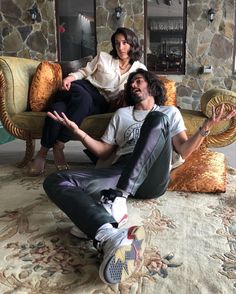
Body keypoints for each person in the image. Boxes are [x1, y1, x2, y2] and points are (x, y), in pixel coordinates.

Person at [43, 69, 236, 284]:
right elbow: (105, 152)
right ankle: (107, 233)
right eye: (131, 84)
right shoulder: (122, 114)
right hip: (121, 171)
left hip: (154, 175)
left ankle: (117, 198)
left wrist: (206, 127)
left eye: (138, 81)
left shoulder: (169, 112)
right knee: (55, 180)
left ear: (151, 86)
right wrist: (78, 133)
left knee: (156, 118)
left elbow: (182, 150)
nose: (133, 85)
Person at [29, 27, 147, 176]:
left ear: (132, 44)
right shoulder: (104, 57)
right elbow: (84, 72)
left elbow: (141, 89)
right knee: (82, 98)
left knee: (58, 109)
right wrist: (69, 78)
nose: (120, 47)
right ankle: (58, 145)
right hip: (82, 88)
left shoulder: (140, 69)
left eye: (124, 43)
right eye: (117, 43)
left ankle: (43, 152)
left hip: (100, 103)